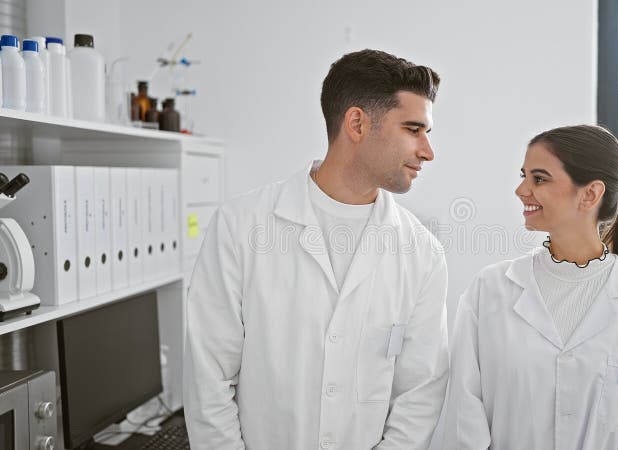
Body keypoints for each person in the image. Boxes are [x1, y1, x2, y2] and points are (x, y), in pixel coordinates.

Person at [184, 49, 449, 450]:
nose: (428, 150)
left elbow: (420, 394)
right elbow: (208, 377)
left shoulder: (422, 254)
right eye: (414, 129)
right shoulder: (242, 226)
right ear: (357, 123)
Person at [444, 124, 618, 449]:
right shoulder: (489, 290)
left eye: (539, 178)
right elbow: (462, 423)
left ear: (590, 194)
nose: (521, 190)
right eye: (523, 175)